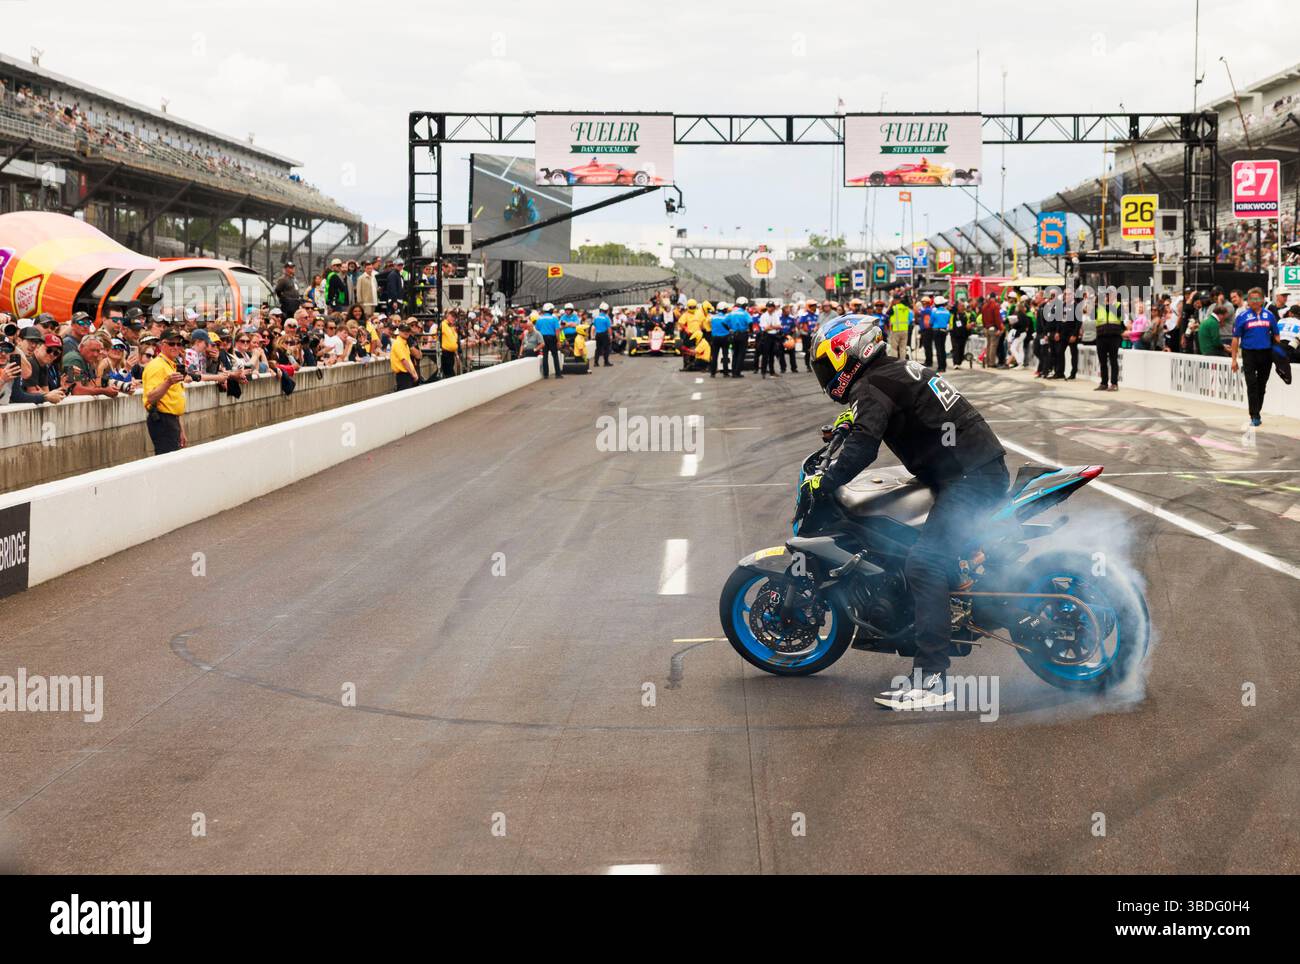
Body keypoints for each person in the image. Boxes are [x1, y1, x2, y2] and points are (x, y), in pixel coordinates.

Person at [805, 318, 1008, 710]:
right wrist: (845, 425)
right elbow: (870, 419)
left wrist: (826, 480)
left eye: (827, 365)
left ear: (849, 353)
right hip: (966, 470)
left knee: (925, 563)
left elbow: (864, 447)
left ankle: (932, 680)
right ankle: (953, 595)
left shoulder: (875, 384)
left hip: (971, 478)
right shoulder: (888, 374)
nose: (826, 375)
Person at [1230, 287, 1280, 427]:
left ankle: (1257, 410)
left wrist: (1280, 355)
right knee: (1251, 384)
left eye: (1258, 298)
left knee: (1261, 385)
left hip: (1266, 354)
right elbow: (1235, 339)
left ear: (1263, 300)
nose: (1255, 301)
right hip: (1249, 354)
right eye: (1252, 299)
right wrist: (1234, 360)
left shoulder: (1269, 315)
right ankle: (1255, 415)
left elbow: (1276, 336)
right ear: (1248, 301)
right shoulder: (1242, 317)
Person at [141, 330, 190, 454]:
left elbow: (173, 400)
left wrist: (181, 429)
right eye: (171, 344)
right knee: (168, 462)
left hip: (171, 420)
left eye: (178, 344)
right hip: (162, 420)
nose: (176, 347)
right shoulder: (156, 366)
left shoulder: (170, 364)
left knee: (174, 461)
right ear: (162, 344)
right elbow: (150, 397)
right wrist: (167, 383)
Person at [1093, 290, 1125, 392]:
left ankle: (1114, 383)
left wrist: (1111, 306)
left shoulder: (1119, 305)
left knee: (1113, 360)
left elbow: (1121, 316)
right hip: (1101, 336)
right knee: (1102, 361)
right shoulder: (1099, 306)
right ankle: (1104, 383)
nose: (1108, 297)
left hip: (1114, 336)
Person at [534, 302, 563, 379]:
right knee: (555, 356)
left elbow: (537, 330)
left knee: (545, 356)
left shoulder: (539, 319)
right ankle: (558, 374)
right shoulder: (554, 318)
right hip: (552, 338)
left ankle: (546, 374)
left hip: (542, 338)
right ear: (550, 310)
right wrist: (559, 341)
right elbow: (557, 331)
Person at [390, 322, 420, 391]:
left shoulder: (404, 343)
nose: (406, 332)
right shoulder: (398, 343)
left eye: (408, 331)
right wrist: (413, 374)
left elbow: (408, 360)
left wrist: (414, 373)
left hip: (407, 374)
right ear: (399, 331)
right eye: (403, 330)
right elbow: (404, 361)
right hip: (403, 375)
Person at [708, 302, 732, 377]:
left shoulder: (713, 317)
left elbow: (710, 325)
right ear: (724, 309)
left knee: (714, 355)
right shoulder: (726, 318)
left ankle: (712, 373)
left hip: (715, 338)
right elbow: (730, 327)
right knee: (725, 355)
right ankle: (725, 373)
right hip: (725, 337)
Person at [929, 296, 951, 372]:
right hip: (944, 331)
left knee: (938, 349)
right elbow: (948, 321)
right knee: (943, 348)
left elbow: (931, 322)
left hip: (936, 331)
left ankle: (940, 367)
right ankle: (944, 366)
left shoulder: (934, 312)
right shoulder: (947, 312)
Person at [592, 302, 613, 368]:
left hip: (598, 334)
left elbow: (593, 327)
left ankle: (596, 362)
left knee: (598, 349)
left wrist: (593, 335)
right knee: (606, 348)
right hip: (604, 334)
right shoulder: (607, 318)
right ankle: (606, 362)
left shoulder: (596, 317)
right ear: (606, 310)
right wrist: (611, 335)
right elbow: (609, 328)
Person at [440, 311, 459, 379]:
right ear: (448, 316)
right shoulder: (443, 324)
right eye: (452, 316)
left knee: (450, 372)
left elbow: (454, 341)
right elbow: (435, 334)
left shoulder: (451, 327)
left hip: (451, 353)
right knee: (449, 374)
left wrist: (456, 354)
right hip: (445, 353)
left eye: (454, 317)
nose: (453, 318)